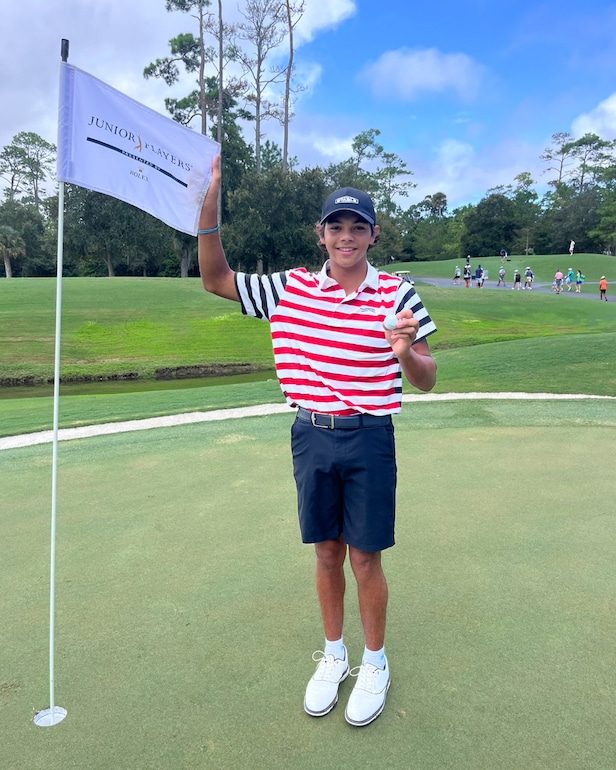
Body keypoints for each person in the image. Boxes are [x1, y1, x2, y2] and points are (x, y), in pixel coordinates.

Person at [197, 156, 437, 727]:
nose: (346, 237)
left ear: (373, 234)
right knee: (326, 552)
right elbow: (214, 279)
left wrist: (405, 352)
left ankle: (374, 662)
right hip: (311, 433)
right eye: (336, 227)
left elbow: (427, 376)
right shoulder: (290, 288)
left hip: (370, 436)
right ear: (321, 234)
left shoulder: (399, 297)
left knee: (364, 556)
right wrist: (209, 208)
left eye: (358, 227)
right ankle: (335, 655)